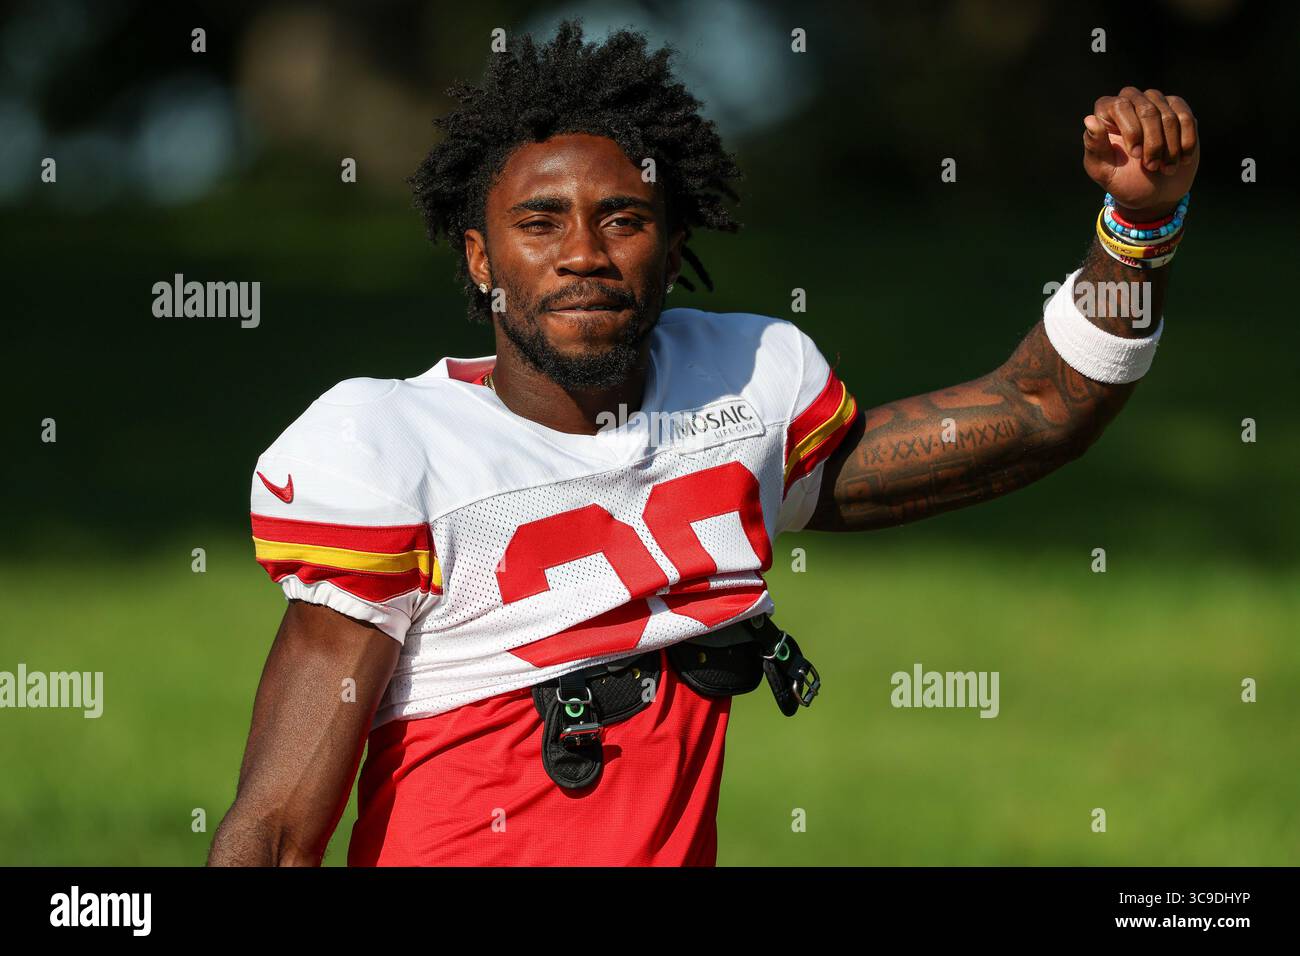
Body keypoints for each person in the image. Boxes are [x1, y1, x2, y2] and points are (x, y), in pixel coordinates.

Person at [208, 20, 1198, 866]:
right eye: (539, 222)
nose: (584, 254)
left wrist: (1137, 225)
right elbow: (281, 825)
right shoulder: (390, 447)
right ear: (480, 257)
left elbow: (1039, 412)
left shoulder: (744, 396)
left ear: (674, 250)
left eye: (623, 219)